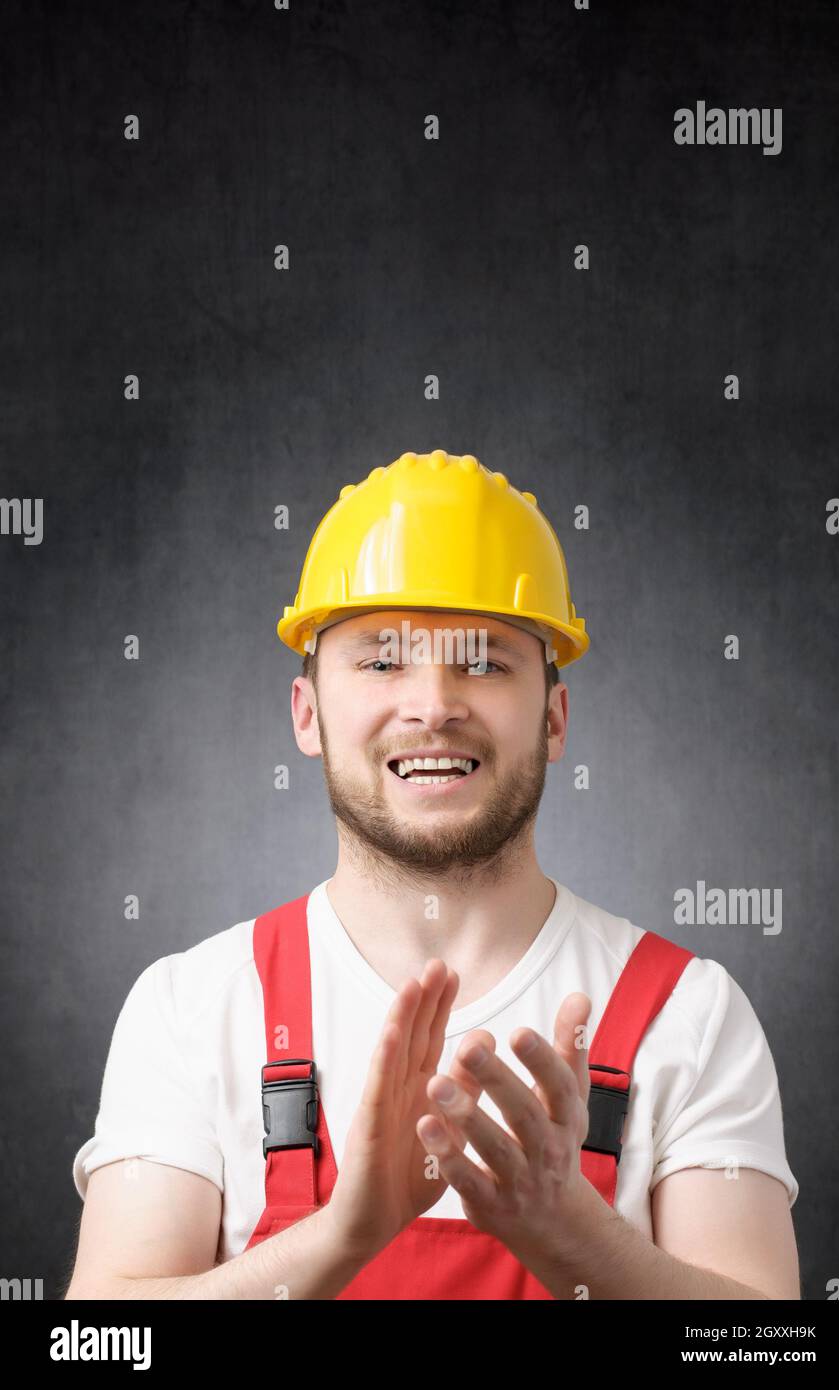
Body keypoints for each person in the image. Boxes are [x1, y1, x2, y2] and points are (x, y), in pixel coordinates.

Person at [65, 449, 800, 1300]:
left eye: (484, 660)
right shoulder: (193, 1008)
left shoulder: (690, 1014)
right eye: (382, 661)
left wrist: (575, 1240)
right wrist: (343, 1235)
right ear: (308, 715)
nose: (434, 705)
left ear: (554, 718)